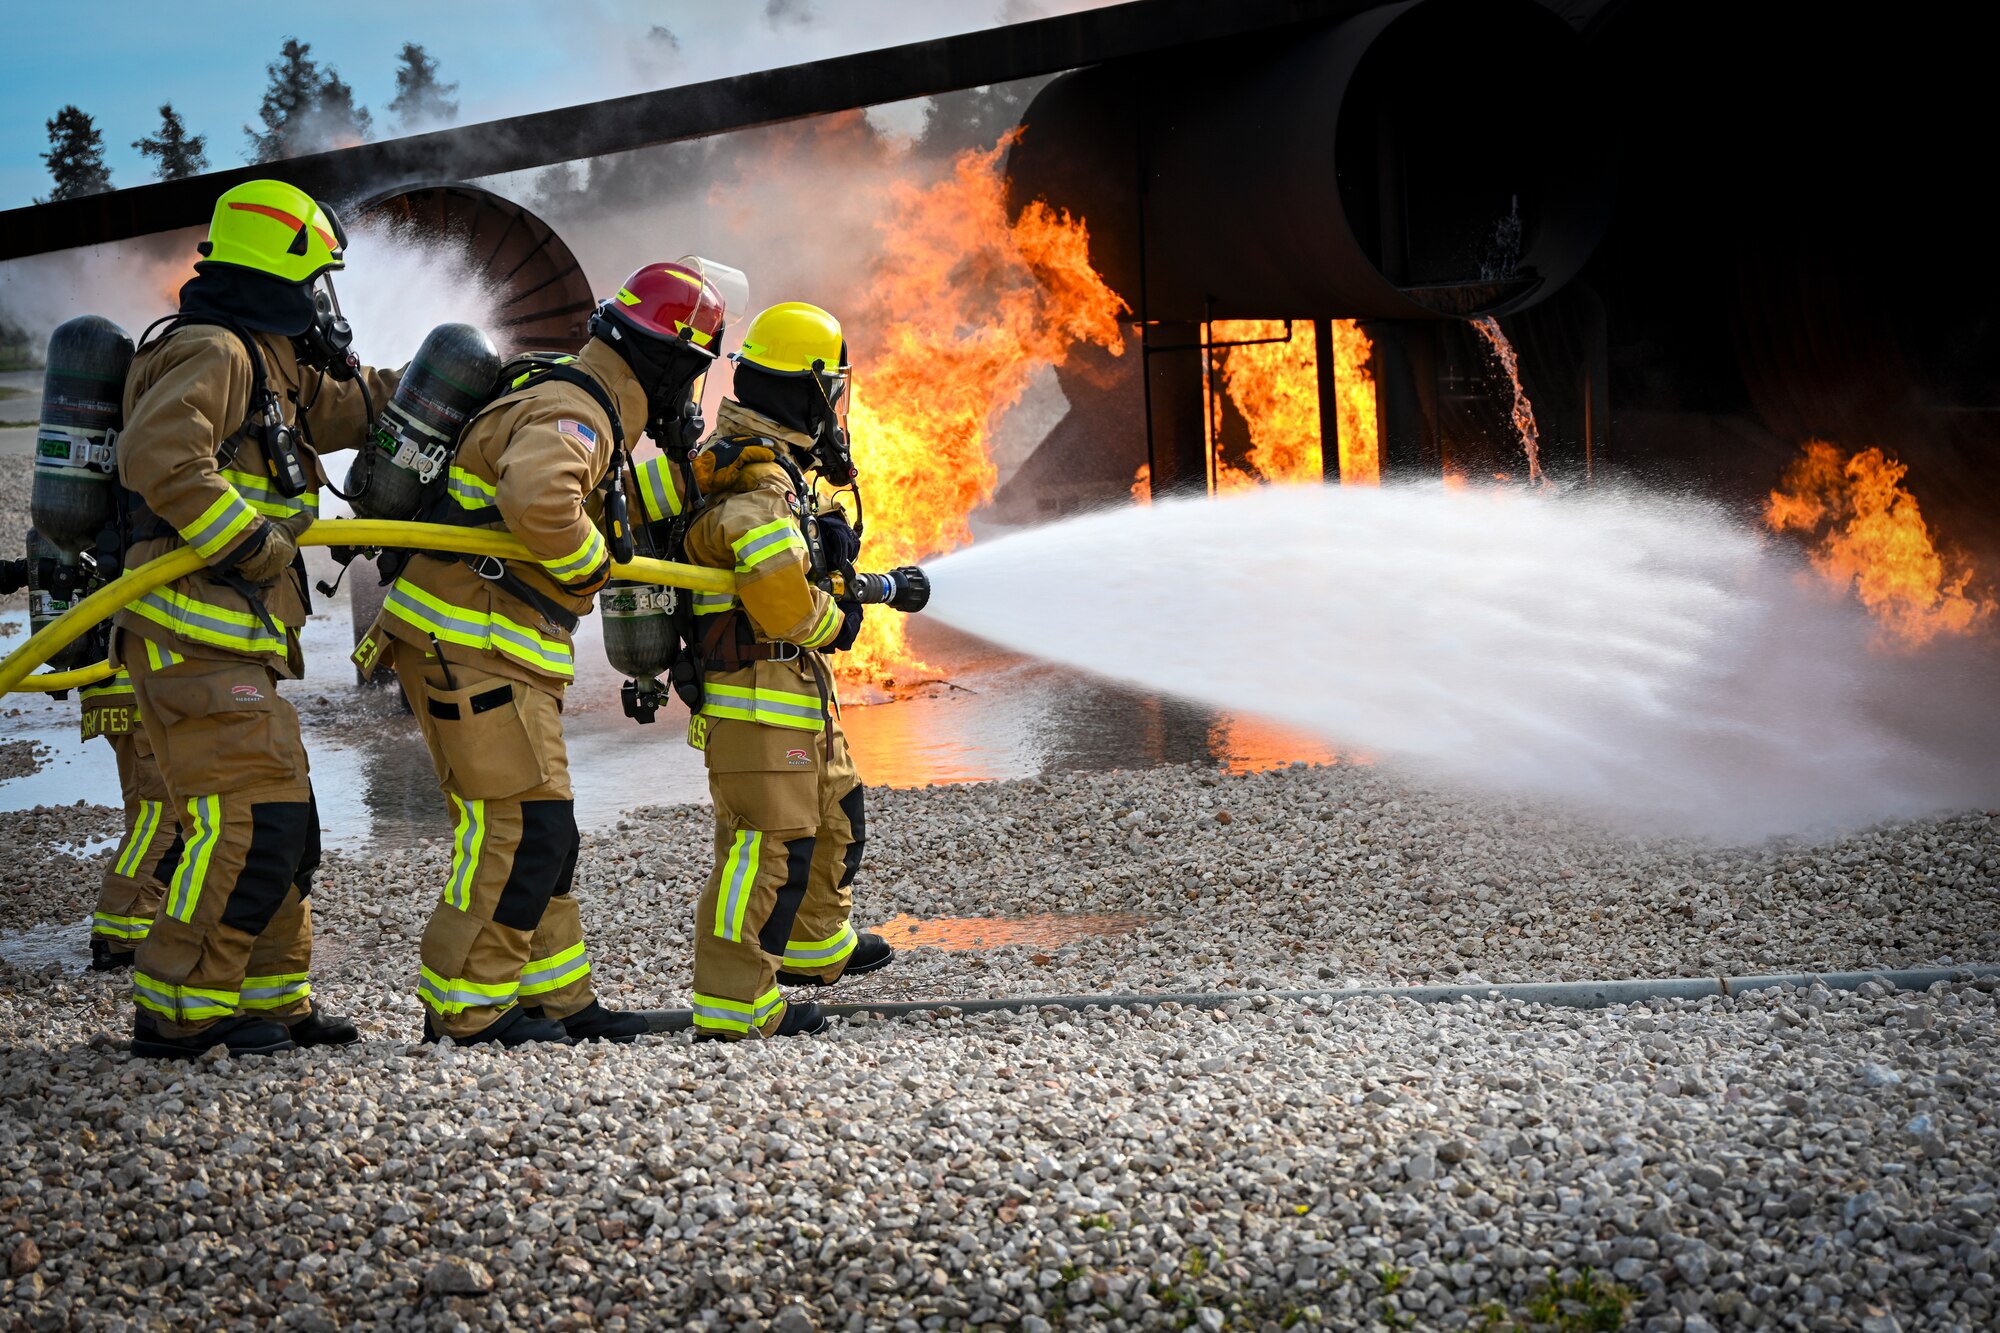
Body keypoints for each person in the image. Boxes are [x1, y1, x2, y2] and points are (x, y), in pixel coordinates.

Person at [360, 261, 727, 1047]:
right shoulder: (578, 411)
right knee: (517, 828)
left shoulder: (586, 399)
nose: (687, 394)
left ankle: (559, 998)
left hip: (492, 646)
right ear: (665, 360)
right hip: (471, 642)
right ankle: (466, 1006)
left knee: (546, 832)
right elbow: (540, 500)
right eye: (691, 372)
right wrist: (592, 563)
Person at [115, 178, 399, 1059]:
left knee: (289, 823)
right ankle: (180, 1011)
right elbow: (159, 454)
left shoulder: (270, 361)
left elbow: (352, 406)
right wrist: (257, 546)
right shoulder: (216, 351)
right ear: (280, 275)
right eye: (317, 280)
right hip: (194, 637)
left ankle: (273, 1000)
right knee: (243, 824)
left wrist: (450, 386)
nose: (326, 301)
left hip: (232, 643)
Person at [681, 301, 912, 1041]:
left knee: (833, 812)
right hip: (755, 685)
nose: (837, 408)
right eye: (832, 390)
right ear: (807, 390)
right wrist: (835, 618)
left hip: (789, 684)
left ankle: (814, 947)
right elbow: (764, 563)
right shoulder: (755, 473)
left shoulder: (772, 460)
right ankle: (733, 1002)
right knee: (763, 846)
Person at [80, 669, 181, 971]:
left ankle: (119, 931)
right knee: (163, 821)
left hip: (143, 697)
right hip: (147, 699)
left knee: (157, 819)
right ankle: (123, 935)